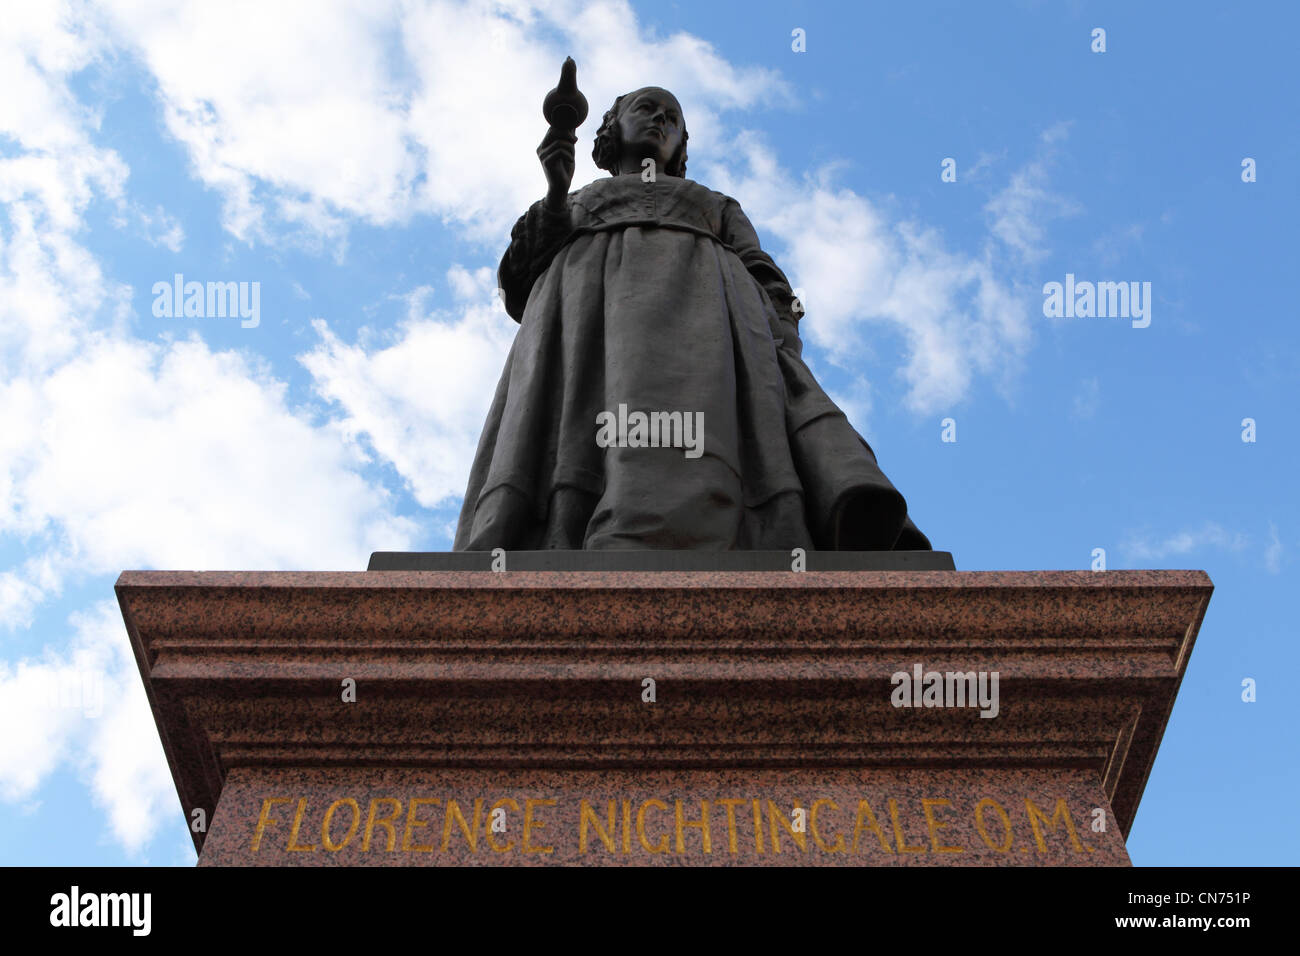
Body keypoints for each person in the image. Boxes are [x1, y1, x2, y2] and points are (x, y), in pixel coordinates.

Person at [454, 86, 932, 551]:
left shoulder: (716, 205)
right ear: (612, 128)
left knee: (706, 428)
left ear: (681, 144)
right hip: (588, 321)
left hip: (709, 317)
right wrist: (557, 192)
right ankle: (571, 527)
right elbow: (519, 282)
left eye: (674, 117)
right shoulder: (580, 199)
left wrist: (780, 341)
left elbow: (763, 272)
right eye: (647, 108)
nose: (662, 119)